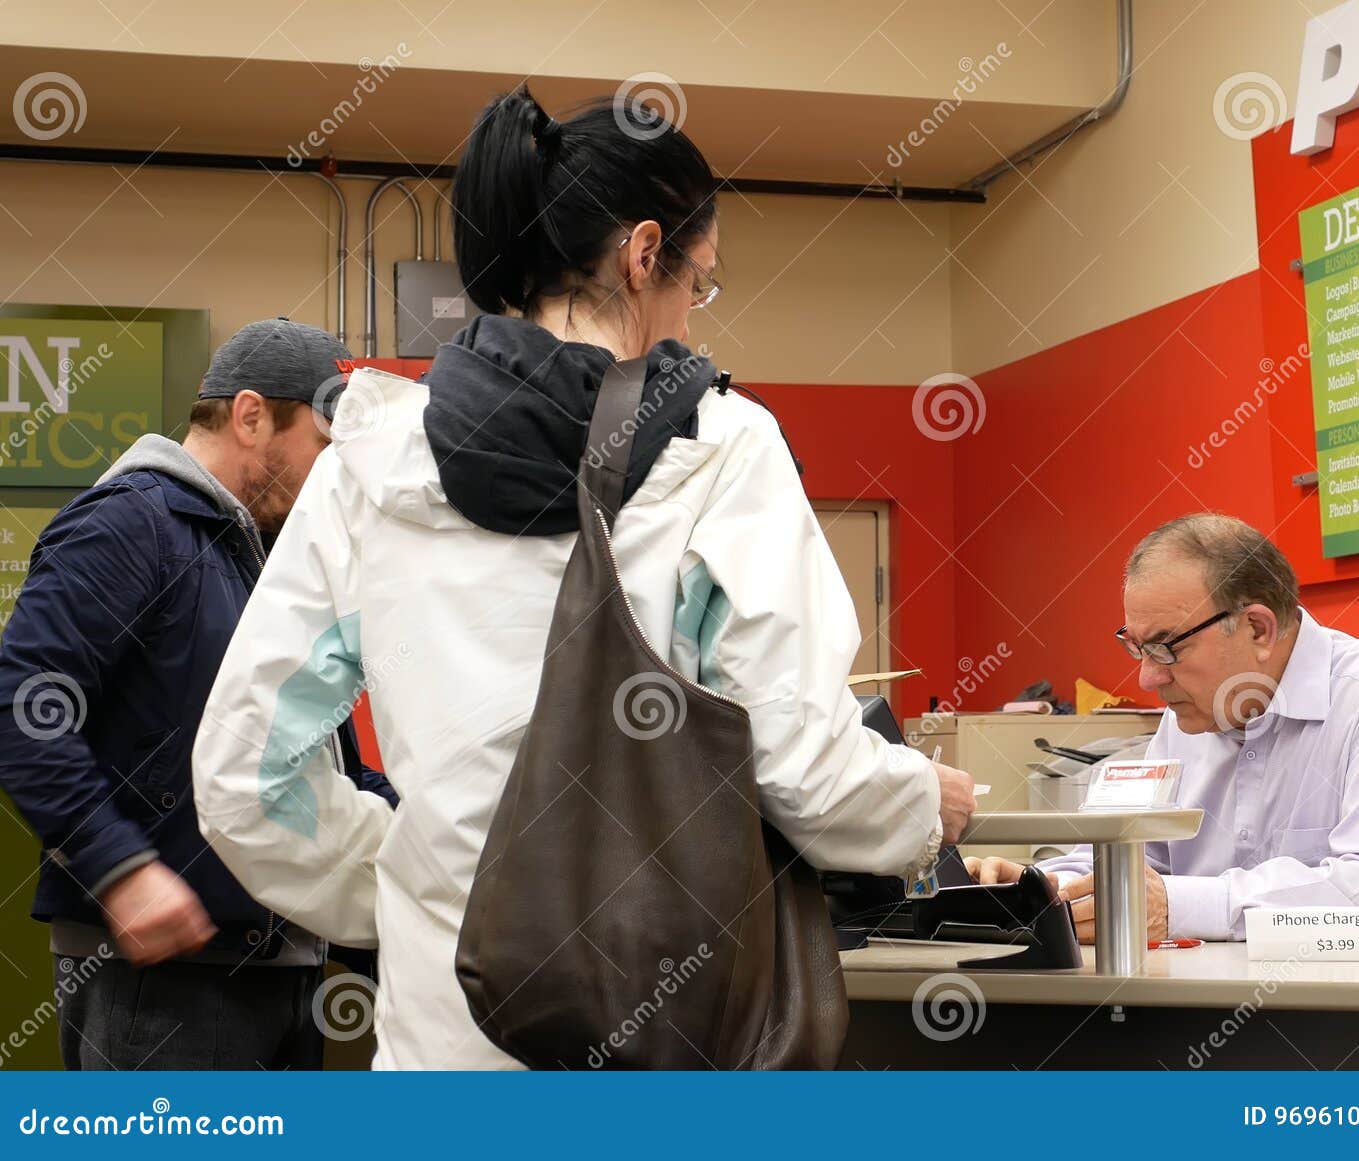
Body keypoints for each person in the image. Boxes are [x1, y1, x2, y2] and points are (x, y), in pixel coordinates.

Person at [189, 88, 979, 1070]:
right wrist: (920, 802)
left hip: (444, 1047)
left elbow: (245, 781)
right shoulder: (721, 447)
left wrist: (421, 881)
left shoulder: (367, 458)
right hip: (673, 1033)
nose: (694, 311)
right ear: (644, 254)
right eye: (700, 281)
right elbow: (803, 772)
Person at [0, 319, 396, 1070]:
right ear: (250, 417)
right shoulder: (130, 524)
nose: (331, 478)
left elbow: (322, 767)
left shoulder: (260, 562)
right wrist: (121, 869)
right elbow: (25, 706)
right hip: (162, 984)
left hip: (283, 973)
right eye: (322, 448)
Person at [967, 514, 1359, 942]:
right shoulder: (1186, 717)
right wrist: (1044, 889)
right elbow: (1135, 858)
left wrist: (1176, 904)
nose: (1148, 676)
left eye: (1168, 646)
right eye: (1137, 646)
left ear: (1258, 628)